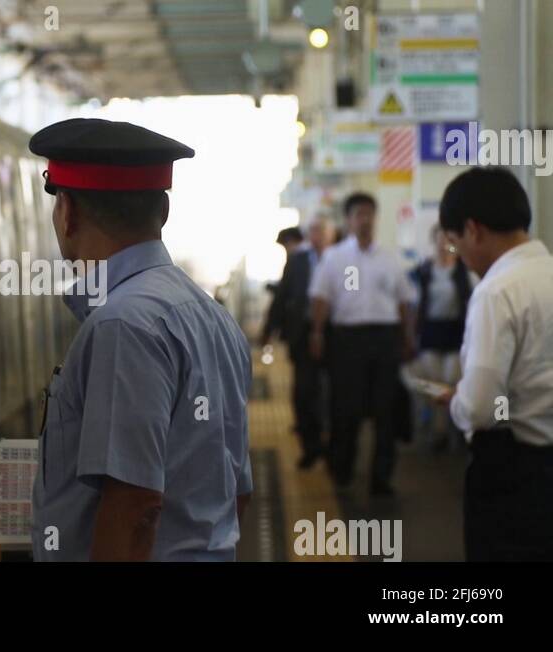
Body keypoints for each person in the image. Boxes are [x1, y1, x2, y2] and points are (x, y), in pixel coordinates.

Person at [27, 118, 253, 561]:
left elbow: (135, 505)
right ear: (163, 212)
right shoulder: (213, 318)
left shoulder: (123, 325)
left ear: (66, 212)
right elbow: (237, 493)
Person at [435, 167, 553, 561]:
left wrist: (456, 401)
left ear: (473, 229)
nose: (461, 258)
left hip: (515, 474)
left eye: (454, 245)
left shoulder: (496, 291)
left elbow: (482, 408)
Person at [308, 193, 417, 496]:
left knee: (385, 411)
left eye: (370, 213)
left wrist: (407, 337)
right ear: (349, 219)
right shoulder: (335, 257)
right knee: (346, 408)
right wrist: (317, 333)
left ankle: (381, 478)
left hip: (384, 337)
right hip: (348, 339)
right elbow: (320, 298)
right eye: (359, 214)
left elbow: (405, 301)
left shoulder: (390, 257)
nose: (365, 219)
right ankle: (342, 470)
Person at [262, 217, 335, 468]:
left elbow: (352, 295)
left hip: (335, 334)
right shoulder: (297, 261)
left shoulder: (342, 262)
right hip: (302, 334)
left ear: (331, 234)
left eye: (322, 231)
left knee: (334, 392)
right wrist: (269, 329)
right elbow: (283, 296)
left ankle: (333, 447)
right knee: (304, 391)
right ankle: (310, 446)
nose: (317, 236)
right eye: (313, 231)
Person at [407, 224, 473, 451]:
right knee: (434, 385)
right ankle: (439, 432)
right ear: (433, 241)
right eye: (439, 239)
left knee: (451, 379)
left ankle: (453, 430)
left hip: (456, 333)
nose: (444, 244)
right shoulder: (424, 271)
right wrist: (410, 334)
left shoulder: (463, 271)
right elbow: (414, 306)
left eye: (448, 239)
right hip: (430, 332)